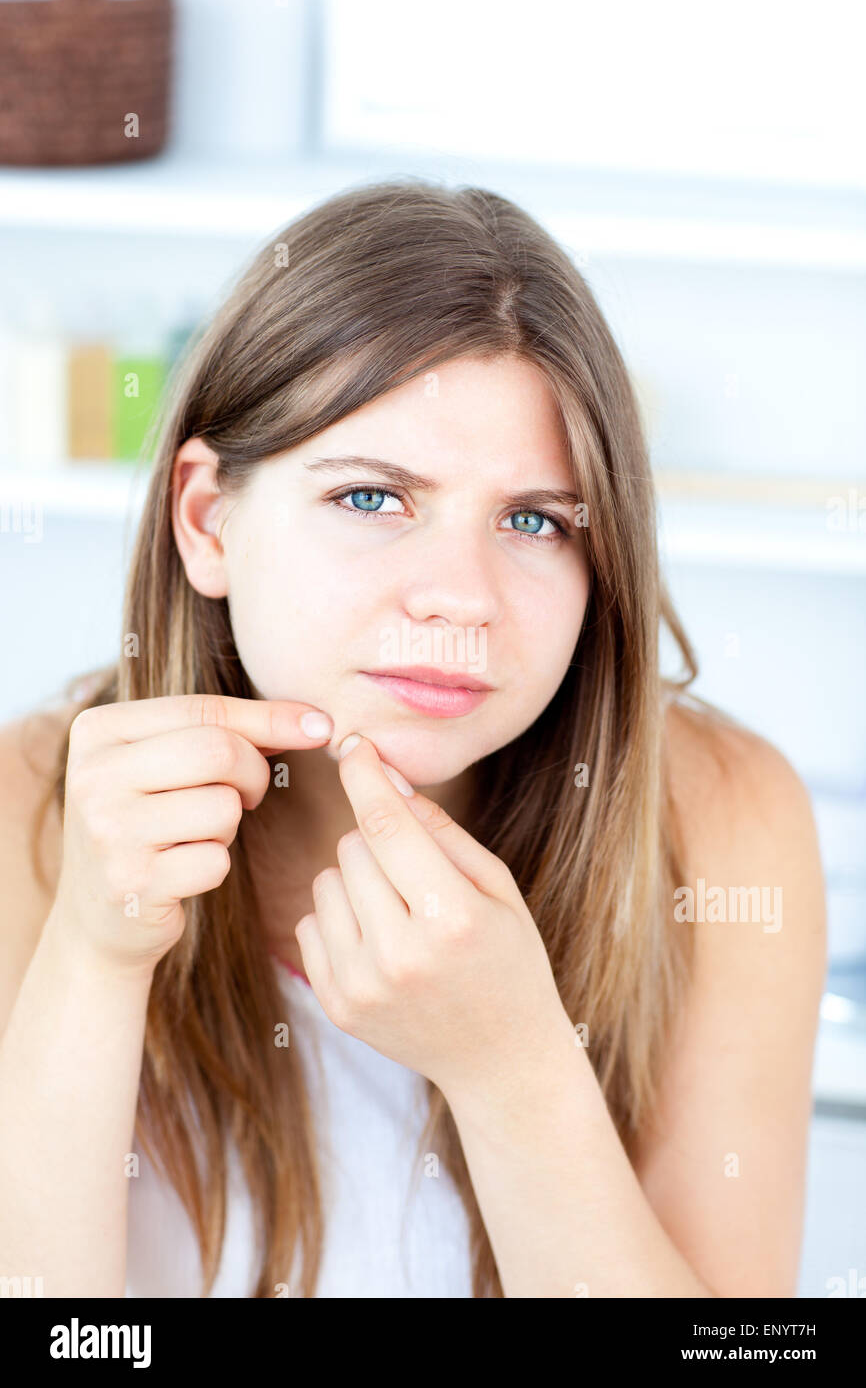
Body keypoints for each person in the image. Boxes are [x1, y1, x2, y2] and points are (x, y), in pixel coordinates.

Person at [0, 179, 826, 1298]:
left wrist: (514, 1072)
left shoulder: (719, 818)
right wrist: (94, 962)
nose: (458, 598)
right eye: (372, 498)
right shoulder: (31, 810)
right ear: (208, 520)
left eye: (532, 520)